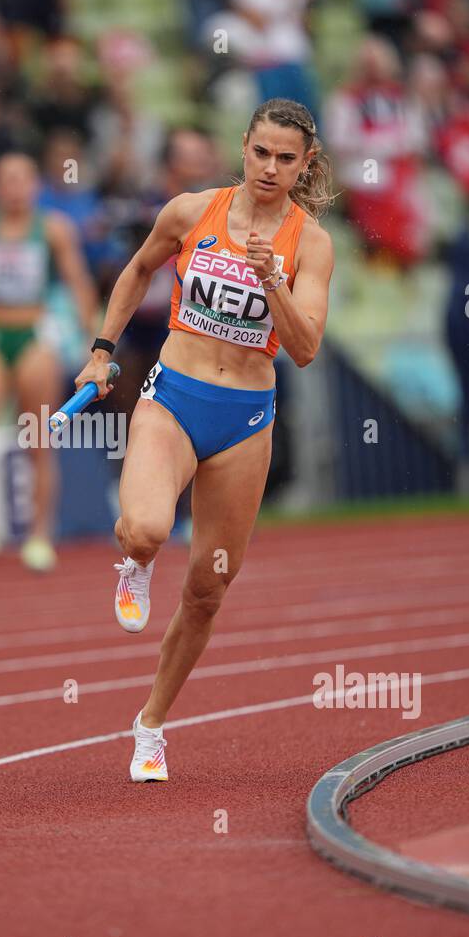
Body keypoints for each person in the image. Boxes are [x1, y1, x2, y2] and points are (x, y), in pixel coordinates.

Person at [73, 99, 335, 782]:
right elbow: (135, 272)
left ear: (304, 165)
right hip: (175, 399)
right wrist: (101, 352)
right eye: (261, 153)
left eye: (286, 158)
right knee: (146, 529)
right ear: (243, 147)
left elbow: (304, 348)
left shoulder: (310, 243)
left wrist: (273, 279)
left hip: (246, 418)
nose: (270, 168)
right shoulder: (192, 212)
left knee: (208, 590)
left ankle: (151, 724)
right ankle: (133, 561)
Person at [0, 152, 97, 575]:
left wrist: (92, 344)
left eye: (21, 180)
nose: (13, 189)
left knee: (37, 439)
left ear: (35, 186)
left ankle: (37, 535)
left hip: (35, 335)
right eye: (6, 180)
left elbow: (78, 283)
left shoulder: (53, 230)